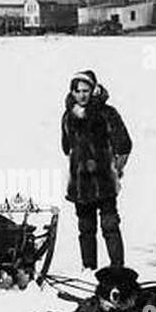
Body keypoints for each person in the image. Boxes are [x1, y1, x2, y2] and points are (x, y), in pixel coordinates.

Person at [61, 69, 132, 270]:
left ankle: (118, 269)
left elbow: (124, 144)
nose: (82, 95)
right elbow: (66, 146)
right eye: (78, 91)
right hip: (80, 183)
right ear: (72, 92)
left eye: (86, 90)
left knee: (110, 226)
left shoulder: (107, 113)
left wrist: (116, 168)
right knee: (86, 228)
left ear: (93, 90)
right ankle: (88, 269)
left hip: (104, 182)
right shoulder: (68, 117)